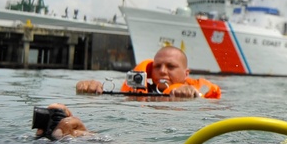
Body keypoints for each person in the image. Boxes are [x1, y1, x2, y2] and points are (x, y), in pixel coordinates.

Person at [75, 46, 222, 99]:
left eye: (170, 66)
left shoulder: (200, 90)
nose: (163, 71)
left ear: (186, 74)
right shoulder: (136, 91)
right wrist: (90, 87)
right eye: (157, 66)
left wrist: (193, 94)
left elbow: (210, 95)